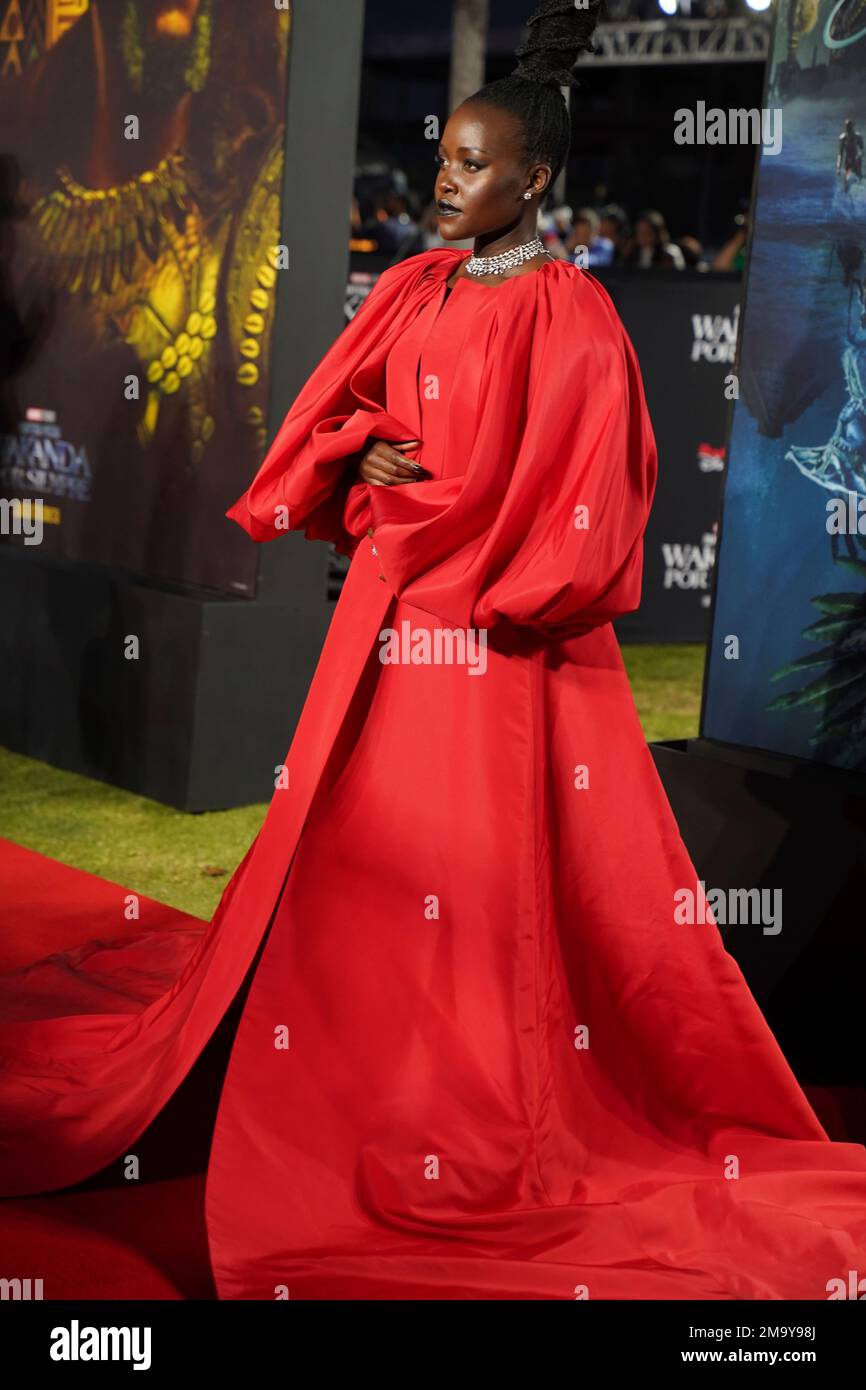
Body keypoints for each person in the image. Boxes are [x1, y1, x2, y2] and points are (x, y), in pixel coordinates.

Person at [2, 0, 866, 1301]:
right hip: (388, 638)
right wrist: (364, 456)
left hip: (493, 663)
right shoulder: (411, 285)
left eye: (470, 165)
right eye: (441, 159)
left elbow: (588, 518)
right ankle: (332, 1079)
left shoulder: (573, 319)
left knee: (469, 900)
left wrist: (450, 534)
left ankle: (447, 1119)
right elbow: (322, 427)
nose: (442, 182)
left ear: (532, 178)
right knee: (348, 877)